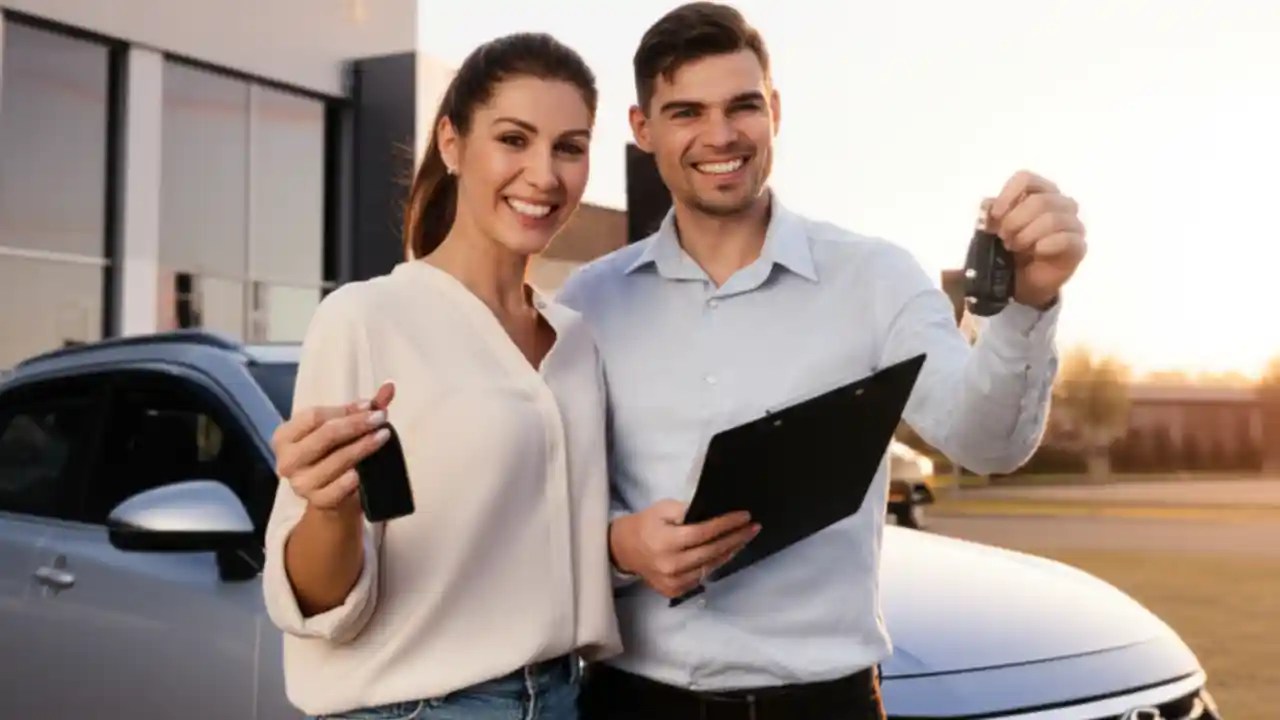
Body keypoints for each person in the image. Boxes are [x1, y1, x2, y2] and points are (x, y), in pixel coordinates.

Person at [557, 3, 1087, 720]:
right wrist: (620, 548)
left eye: (742, 106)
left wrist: (1028, 303)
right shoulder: (587, 303)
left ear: (773, 110)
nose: (720, 135)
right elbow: (541, 513)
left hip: (826, 705)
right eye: (686, 111)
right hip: (633, 704)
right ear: (642, 128)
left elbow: (988, 444)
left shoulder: (874, 279)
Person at [261, 32, 622, 720]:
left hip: (562, 698)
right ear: (452, 143)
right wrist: (329, 507)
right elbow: (312, 602)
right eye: (514, 139)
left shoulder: (576, 341)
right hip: (421, 708)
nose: (545, 174)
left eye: (569, 147)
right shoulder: (367, 318)